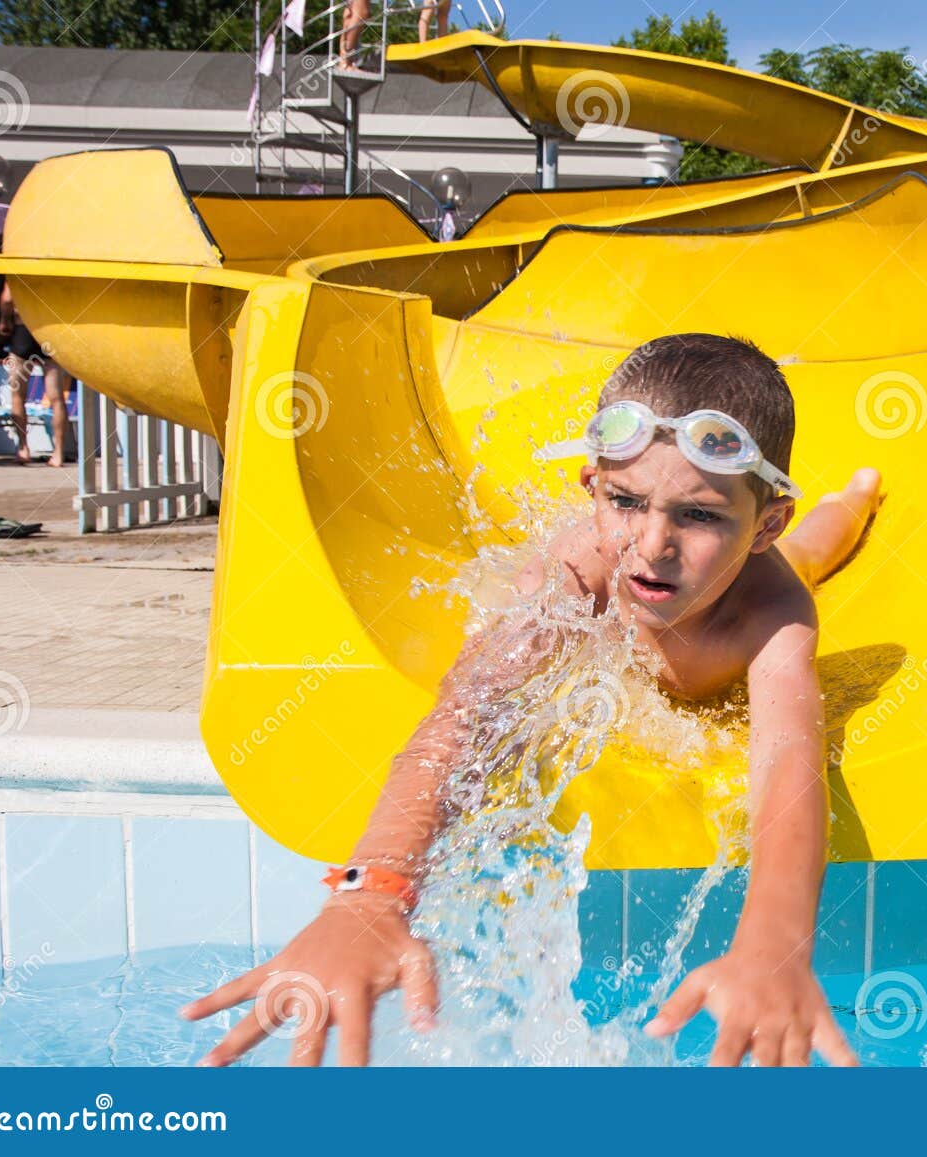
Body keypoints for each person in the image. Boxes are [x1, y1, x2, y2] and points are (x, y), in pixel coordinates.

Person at [181, 333, 883, 1067]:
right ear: (592, 488)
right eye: (626, 501)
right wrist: (371, 891)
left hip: (771, 569)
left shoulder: (772, 615)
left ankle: (852, 499)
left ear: (762, 520)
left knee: (813, 553)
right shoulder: (578, 577)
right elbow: (463, 718)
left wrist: (773, 941)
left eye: (701, 516)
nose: (652, 544)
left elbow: (788, 760)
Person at [0, 283, 70, 467]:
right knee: (57, 399)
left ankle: (23, 449)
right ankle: (58, 453)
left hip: (23, 330)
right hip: (51, 331)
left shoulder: (19, 266)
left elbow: (7, 298)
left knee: (17, 396)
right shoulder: (53, 269)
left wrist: (5, 320)